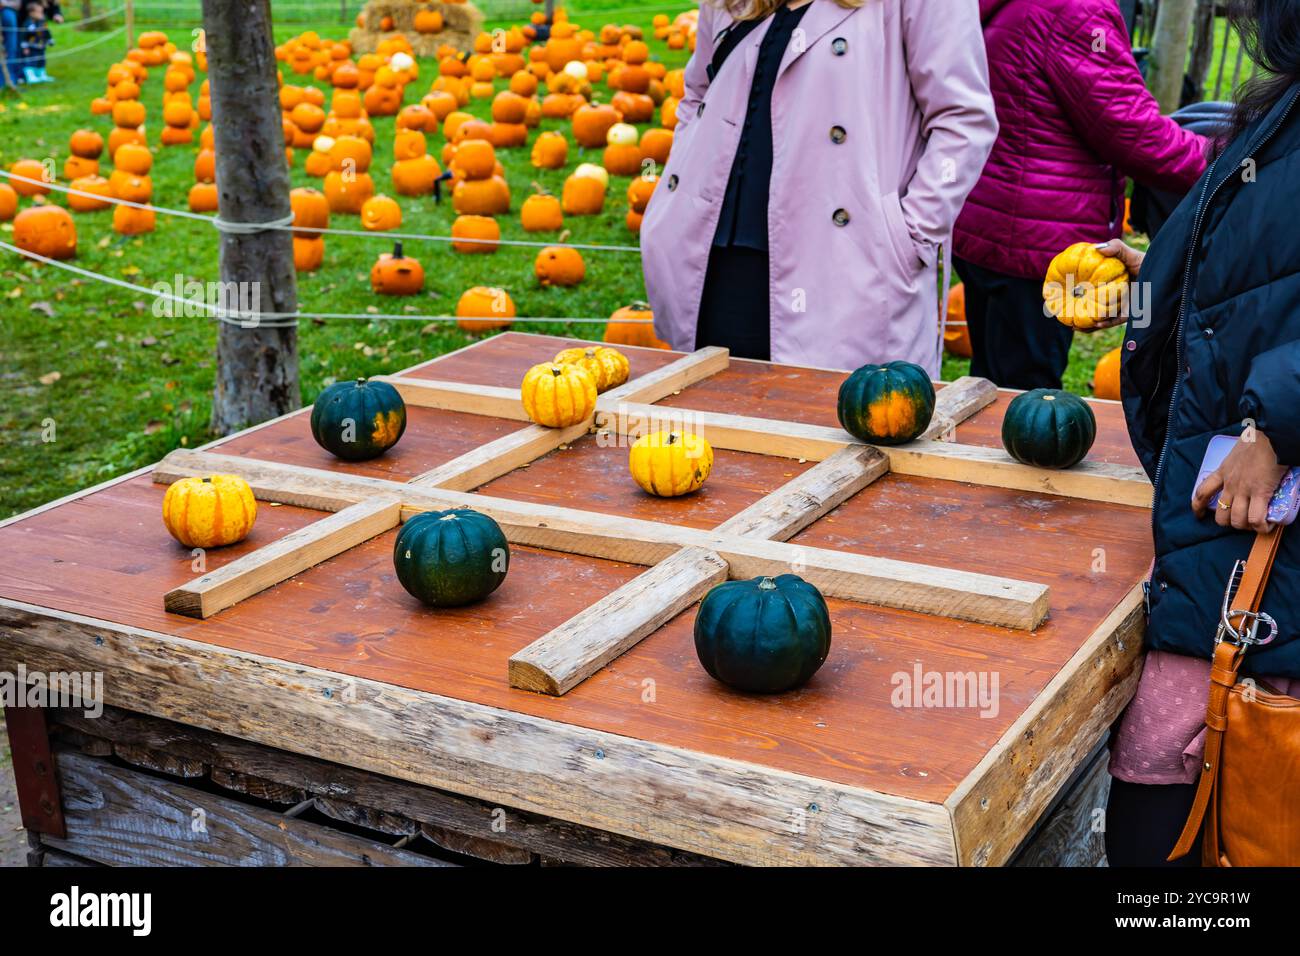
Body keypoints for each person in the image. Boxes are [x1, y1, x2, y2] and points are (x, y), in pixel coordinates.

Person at [1099, 0, 1300, 867]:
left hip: (1261, 538)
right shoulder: (1283, 108)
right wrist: (1152, 292)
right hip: (1216, 523)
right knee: (1161, 821)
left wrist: (1278, 421)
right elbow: (1254, 276)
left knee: (1210, 822)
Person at [640, 0, 997, 372]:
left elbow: (963, 120)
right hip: (712, 262)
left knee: (823, 418)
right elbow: (697, 91)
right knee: (714, 414)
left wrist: (910, 234)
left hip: (847, 272)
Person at [951, 0, 1209, 390]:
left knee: (989, 385)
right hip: (1037, 247)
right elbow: (1133, 133)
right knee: (1027, 397)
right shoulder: (1076, 11)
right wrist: (1227, 160)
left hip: (988, 222)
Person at [20, 0, 61, 84]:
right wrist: (25, 47)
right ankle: (30, 76)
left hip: (41, 46)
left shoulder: (42, 23)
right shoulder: (28, 24)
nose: (42, 15)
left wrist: (50, 40)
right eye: (39, 13)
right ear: (31, 13)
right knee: (31, 61)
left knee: (41, 60)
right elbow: (23, 36)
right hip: (32, 47)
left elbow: (46, 32)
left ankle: (41, 75)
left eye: (42, 12)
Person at [0, 0, 23, 89]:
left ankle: (9, 82)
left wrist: (4, 4)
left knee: (11, 51)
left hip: (8, 16)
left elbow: (17, 4)